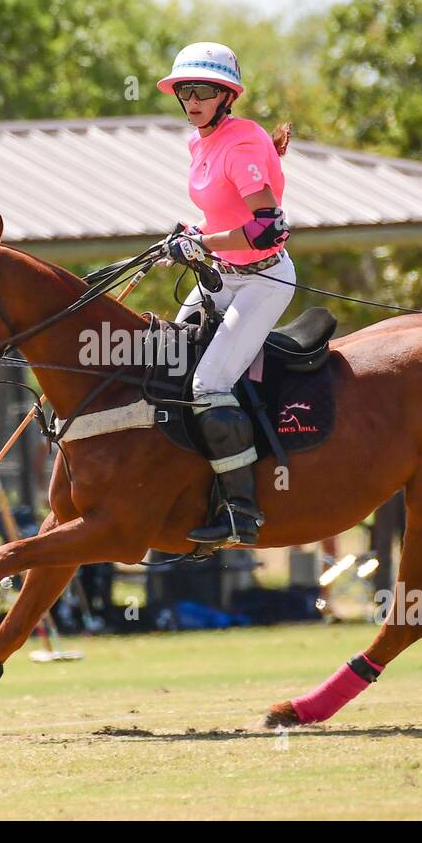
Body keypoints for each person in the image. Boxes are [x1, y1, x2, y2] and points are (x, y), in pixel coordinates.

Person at [157, 41, 295, 546]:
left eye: (205, 91)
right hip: (221, 276)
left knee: (207, 383)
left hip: (263, 279)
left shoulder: (241, 145)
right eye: (186, 90)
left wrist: (200, 242)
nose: (192, 100)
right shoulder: (200, 142)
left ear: (226, 96)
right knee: (168, 358)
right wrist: (191, 231)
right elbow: (224, 215)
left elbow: (267, 230)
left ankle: (241, 513)